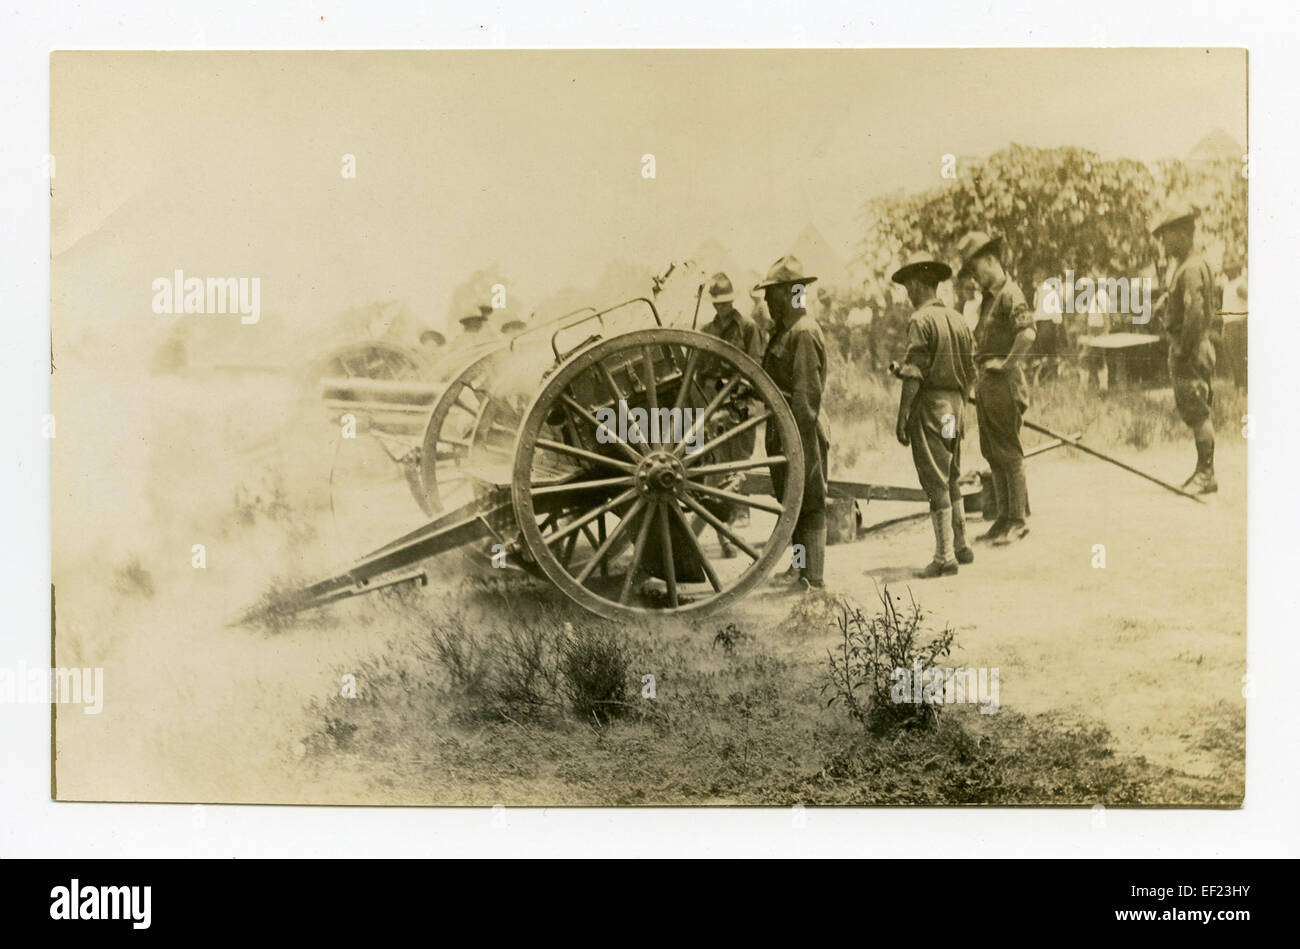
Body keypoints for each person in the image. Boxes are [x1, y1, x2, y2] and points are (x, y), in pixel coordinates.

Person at [892, 251, 977, 577]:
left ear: (916, 284)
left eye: (908, 286)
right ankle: (961, 544)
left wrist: (902, 416)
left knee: (935, 482)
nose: (908, 292)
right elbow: (971, 369)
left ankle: (944, 557)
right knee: (952, 475)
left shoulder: (920, 320)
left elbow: (914, 373)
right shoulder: (958, 319)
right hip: (955, 408)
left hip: (931, 407)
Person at [957, 230, 1035, 546]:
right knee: (992, 452)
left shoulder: (1010, 293)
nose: (974, 277)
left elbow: (1028, 334)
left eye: (976, 269)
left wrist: (1006, 364)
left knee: (1009, 452)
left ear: (990, 260)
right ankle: (1003, 519)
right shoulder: (990, 299)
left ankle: (1018, 520)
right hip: (988, 386)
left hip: (1004, 384)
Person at [758, 255, 828, 589]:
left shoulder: (804, 332)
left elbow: (806, 395)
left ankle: (814, 577)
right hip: (783, 427)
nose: (768, 302)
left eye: (772, 294)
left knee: (810, 499)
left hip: (802, 430)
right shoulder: (783, 332)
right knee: (792, 500)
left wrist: (796, 441)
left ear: (789, 293)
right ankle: (798, 568)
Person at [1153, 203, 1218, 493]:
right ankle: (1202, 471)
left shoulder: (1190, 267)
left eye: (1166, 236)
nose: (1163, 243)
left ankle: (1207, 474)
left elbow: (1194, 312)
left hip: (1190, 349)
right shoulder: (1191, 265)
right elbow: (1186, 304)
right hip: (1195, 346)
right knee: (1196, 410)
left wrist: (1181, 349)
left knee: (1198, 411)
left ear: (1182, 234)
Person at [697, 272, 765, 546]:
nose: (721, 308)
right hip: (714, 401)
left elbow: (755, 366)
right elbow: (699, 370)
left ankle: (739, 514)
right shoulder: (706, 331)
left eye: (725, 303)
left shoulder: (747, 327)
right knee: (719, 462)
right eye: (717, 303)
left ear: (732, 301)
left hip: (740, 399)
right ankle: (724, 526)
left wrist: (741, 392)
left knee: (740, 458)